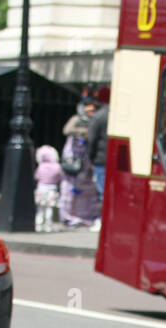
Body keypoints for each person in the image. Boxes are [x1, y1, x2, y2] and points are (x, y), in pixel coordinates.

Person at [60, 105, 98, 228]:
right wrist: (83, 132)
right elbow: (67, 130)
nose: (91, 112)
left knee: (86, 189)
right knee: (70, 188)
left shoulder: (94, 121)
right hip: (74, 157)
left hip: (85, 159)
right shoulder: (77, 119)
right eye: (89, 110)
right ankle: (68, 216)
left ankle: (83, 216)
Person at [86, 97, 109, 231]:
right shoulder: (111, 114)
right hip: (111, 159)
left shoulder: (98, 117)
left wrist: (91, 159)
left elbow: (92, 140)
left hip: (100, 159)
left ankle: (101, 220)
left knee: (102, 191)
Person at [33, 144, 63, 232]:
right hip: (52, 189)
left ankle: (38, 225)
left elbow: (36, 177)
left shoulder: (41, 166)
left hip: (41, 188)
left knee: (40, 208)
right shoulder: (57, 166)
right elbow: (60, 178)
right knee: (49, 208)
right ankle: (48, 225)